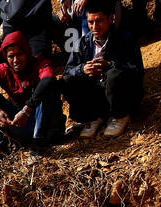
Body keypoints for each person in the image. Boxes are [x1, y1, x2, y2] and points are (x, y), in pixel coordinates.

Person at [61, 0, 143, 138]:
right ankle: (93, 118)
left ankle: (120, 116)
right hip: (95, 95)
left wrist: (110, 65)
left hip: (118, 94)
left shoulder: (126, 39)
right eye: (90, 22)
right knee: (68, 80)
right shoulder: (82, 42)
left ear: (111, 18)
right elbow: (68, 70)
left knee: (114, 75)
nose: (94, 26)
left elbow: (136, 70)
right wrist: (83, 69)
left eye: (99, 21)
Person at [0, 30, 62, 148]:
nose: (16, 60)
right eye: (11, 56)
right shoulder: (3, 70)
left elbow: (48, 80)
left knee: (45, 89)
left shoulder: (40, 63)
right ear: (6, 57)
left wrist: (27, 110)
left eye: (19, 54)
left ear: (27, 52)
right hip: (19, 122)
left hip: (45, 124)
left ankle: (38, 143)